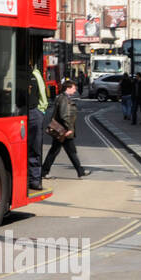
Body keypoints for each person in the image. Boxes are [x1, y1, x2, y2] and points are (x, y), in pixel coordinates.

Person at [42, 81, 92, 180]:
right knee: (68, 152)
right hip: (63, 130)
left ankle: (44, 172)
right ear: (68, 88)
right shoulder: (64, 99)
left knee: (62, 151)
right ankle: (80, 172)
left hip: (61, 130)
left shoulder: (63, 97)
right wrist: (69, 128)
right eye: (73, 88)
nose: (75, 90)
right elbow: (64, 115)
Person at [27, 62, 49, 191]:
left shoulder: (36, 74)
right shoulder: (15, 73)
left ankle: (35, 179)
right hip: (19, 113)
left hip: (34, 112)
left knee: (35, 147)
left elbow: (42, 93)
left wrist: (41, 111)